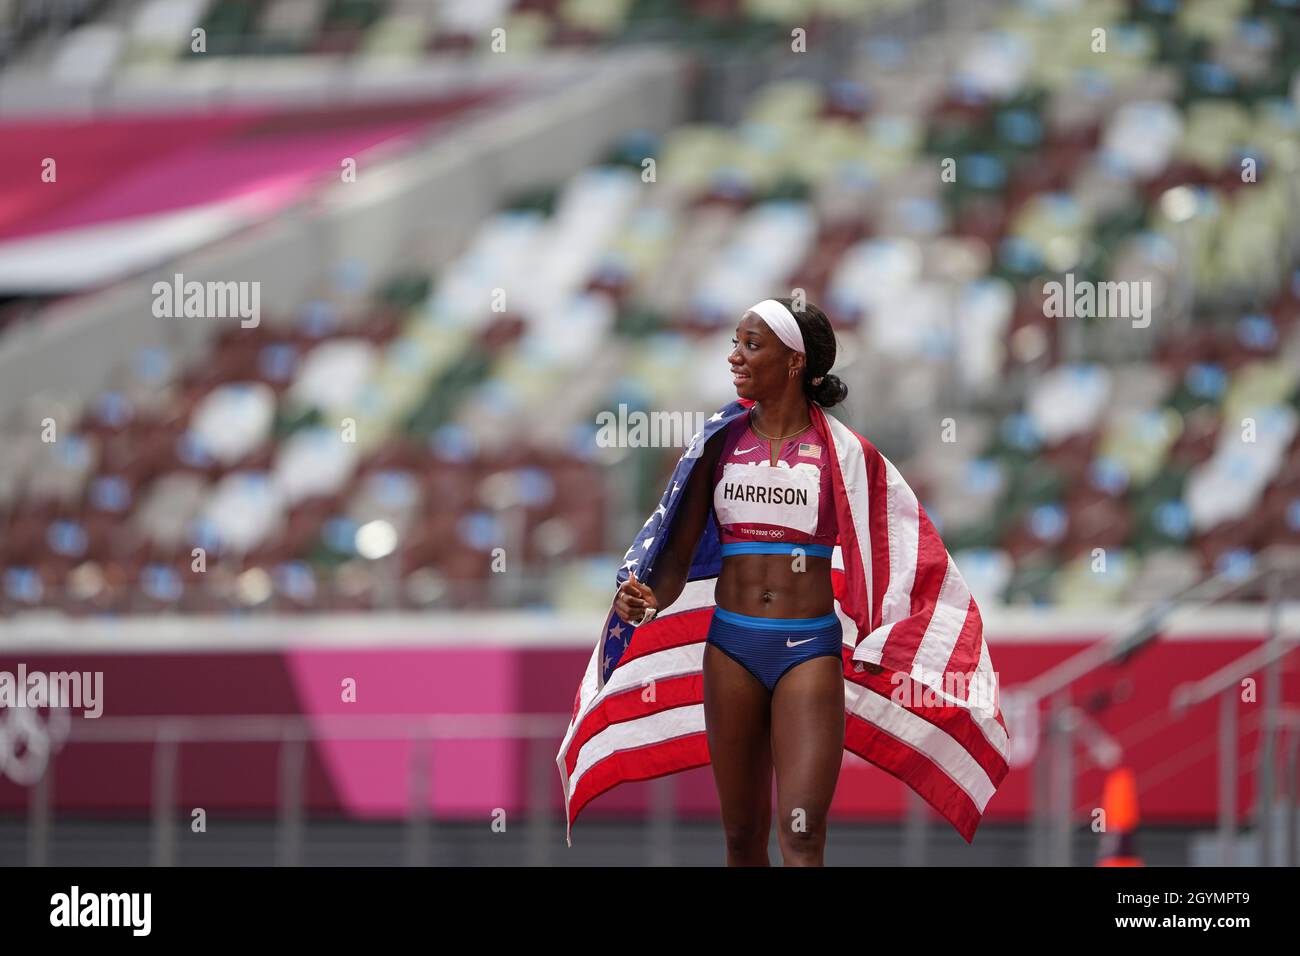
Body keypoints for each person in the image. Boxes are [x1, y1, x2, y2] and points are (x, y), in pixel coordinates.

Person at [612, 297, 850, 866]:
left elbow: (884, 547)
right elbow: (677, 553)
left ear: (793, 361)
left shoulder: (843, 454)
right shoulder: (717, 442)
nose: (734, 356)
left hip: (808, 649)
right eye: (735, 342)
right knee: (743, 839)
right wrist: (647, 599)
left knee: (802, 835)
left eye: (751, 344)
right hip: (732, 649)